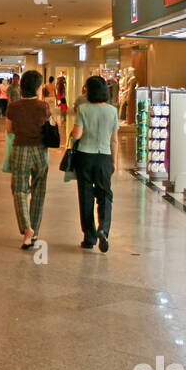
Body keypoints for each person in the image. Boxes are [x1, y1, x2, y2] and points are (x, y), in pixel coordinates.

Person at [70, 75, 118, 253]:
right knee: (105, 195)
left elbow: (77, 135)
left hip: (85, 156)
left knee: (86, 195)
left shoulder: (83, 109)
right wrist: (114, 161)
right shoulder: (112, 111)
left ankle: (89, 237)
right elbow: (114, 140)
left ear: (88, 91)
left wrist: (72, 133)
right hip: (104, 156)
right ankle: (103, 229)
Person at [6, 70, 52, 250]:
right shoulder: (44, 106)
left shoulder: (14, 107)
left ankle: (27, 229)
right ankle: (35, 231)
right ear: (38, 88)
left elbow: (10, 129)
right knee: (39, 189)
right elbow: (49, 126)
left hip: (21, 150)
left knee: (19, 190)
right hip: (41, 151)